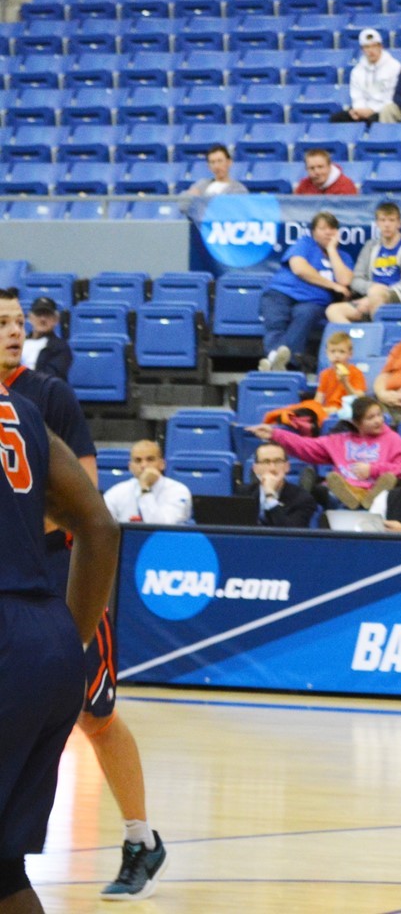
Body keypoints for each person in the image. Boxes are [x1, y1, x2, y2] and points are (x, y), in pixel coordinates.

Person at [2, 291, 163, 902]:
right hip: (34, 611)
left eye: (19, 323)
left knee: (98, 716)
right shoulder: (16, 411)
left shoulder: (48, 395)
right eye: (2, 324)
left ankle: (139, 834)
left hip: (59, 579)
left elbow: (88, 501)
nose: (13, 333)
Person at [0, 354, 122, 912]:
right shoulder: (21, 411)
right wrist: (66, 643)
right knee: (6, 875)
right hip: (43, 642)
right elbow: (99, 524)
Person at [248, 395, 401, 509]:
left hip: (376, 489)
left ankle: (371, 499)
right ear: (357, 423)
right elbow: (306, 446)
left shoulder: (393, 439)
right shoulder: (339, 440)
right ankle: (351, 499)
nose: (378, 420)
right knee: (326, 487)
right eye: (370, 418)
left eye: (379, 415)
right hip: (345, 489)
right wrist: (275, 434)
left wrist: (373, 469)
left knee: (388, 484)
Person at [259, 211, 353, 373]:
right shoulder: (305, 244)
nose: (328, 232)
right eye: (323, 228)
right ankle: (280, 363)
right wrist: (332, 285)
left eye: (332, 228)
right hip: (282, 291)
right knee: (276, 321)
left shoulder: (343, 256)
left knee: (305, 313)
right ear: (313, 233)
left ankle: (276, 363)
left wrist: (332, 251)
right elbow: (299, 268)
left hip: (313, 302)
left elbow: (345, 281)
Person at [328, 201, 401, 324]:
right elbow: (356, 280)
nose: (387, 225)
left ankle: (377, 339)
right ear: (377, 223)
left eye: (391, 220)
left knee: (377, 293)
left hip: (399, 299)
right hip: (370, 297)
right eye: (383, 220)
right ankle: (356, 342)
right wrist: (371, 291)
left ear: (400, 223)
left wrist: (378, 294)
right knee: (333, 311)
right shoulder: (370, 246)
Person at [100, 441, 191, 524]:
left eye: (150, 459)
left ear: (162, 464)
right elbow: (101, 525)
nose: (144, 465)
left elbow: (160, 528)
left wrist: (145, 489)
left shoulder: (178, 491)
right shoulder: (117, 492)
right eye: (138, 461)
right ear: (130, 467)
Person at [239, 443, 317, 528]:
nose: (272, 468)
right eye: (266, 462)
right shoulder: (243, 493)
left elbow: (291, 535)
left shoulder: (302, 499)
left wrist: (270, 497)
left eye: (278, 461)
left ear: (287, 467)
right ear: (255, 469)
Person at [334, 27, 400, 123]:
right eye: (367, 47)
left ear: (380, 46)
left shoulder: (394, 67)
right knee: (338, 118)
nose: (371, 50)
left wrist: (372, 110)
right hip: (363, 111)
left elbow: (392, 98)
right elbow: (357, 96)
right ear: (362, 49)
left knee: (375, 118)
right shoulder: (357, 71)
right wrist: (359, 111)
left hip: (383, 111)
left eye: (374, 46)